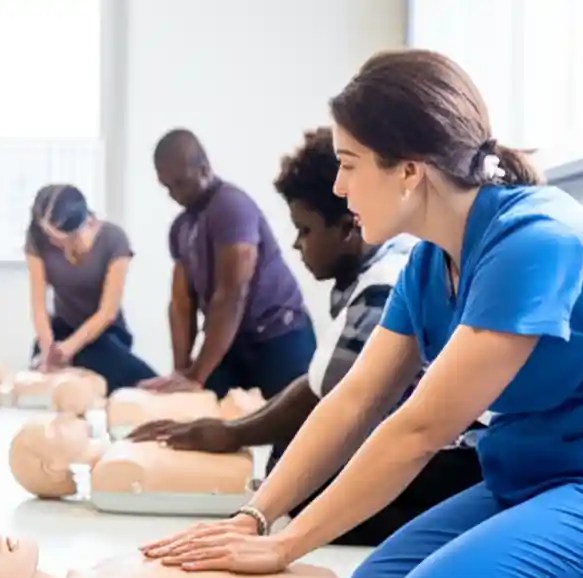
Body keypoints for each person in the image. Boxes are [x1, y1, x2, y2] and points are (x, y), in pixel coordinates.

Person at [140, 49, 583, 578]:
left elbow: (417, 429)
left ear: (409, 171)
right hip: (529, 478)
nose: (338, 189)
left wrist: (289, 543)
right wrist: (255, 516)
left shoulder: (537, 239)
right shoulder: (426, 264)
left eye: (349, 165)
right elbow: (354, 399)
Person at [129, 128, 481, 545]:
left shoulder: (387, 281)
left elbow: (335, 396)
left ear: (350, 228)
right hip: (422, 444)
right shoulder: (380, 276)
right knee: (289, 469)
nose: (296, 245)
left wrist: (235, 440)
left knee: (303, 487)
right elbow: (323, 384)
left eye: (305, 230)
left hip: (457, 458)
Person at [141, 129, 316, 400]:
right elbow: (181, 304)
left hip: (279, 335)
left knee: (295, 435)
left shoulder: (231, 206)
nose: (174, 194)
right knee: (200, 418)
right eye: (167, 187)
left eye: (181, 183)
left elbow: (232, 294)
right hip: (234, 342)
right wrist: (182, 372)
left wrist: (197, 376)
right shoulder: (181, 227)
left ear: (204, 169)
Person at [24, 184, 156, 392]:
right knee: (40, 370)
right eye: (46, 234)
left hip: (105, 333)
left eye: (56, 238)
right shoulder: (36, 238)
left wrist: (69, 349)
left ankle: (165, 393)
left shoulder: (114, 239)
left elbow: (107, 312)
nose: (50, 241)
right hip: (63, 328)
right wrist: (49, 349)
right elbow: (38, 304)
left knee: (95, 359)